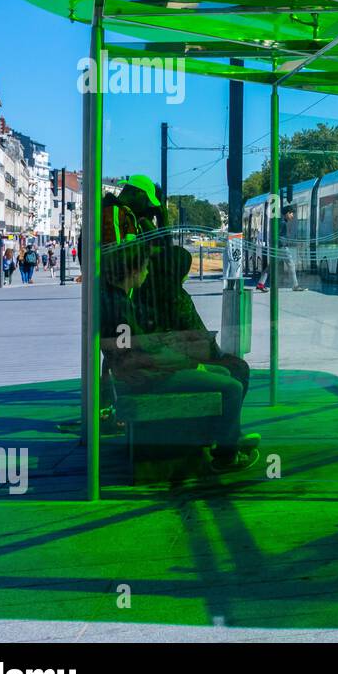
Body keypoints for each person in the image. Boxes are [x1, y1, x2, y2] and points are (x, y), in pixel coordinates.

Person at [99, 197, 259, 474]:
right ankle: (226, 455)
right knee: (231, 385)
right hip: (149, 380)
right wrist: (183, 359)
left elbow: (130, 347)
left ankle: (225, 437)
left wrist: (162, 346)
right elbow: (130, 352)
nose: (148, 273)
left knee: (222, 376)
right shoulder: (121, 307)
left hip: (144, 375)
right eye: (145, 268)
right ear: (134, 271)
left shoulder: (118, 300)